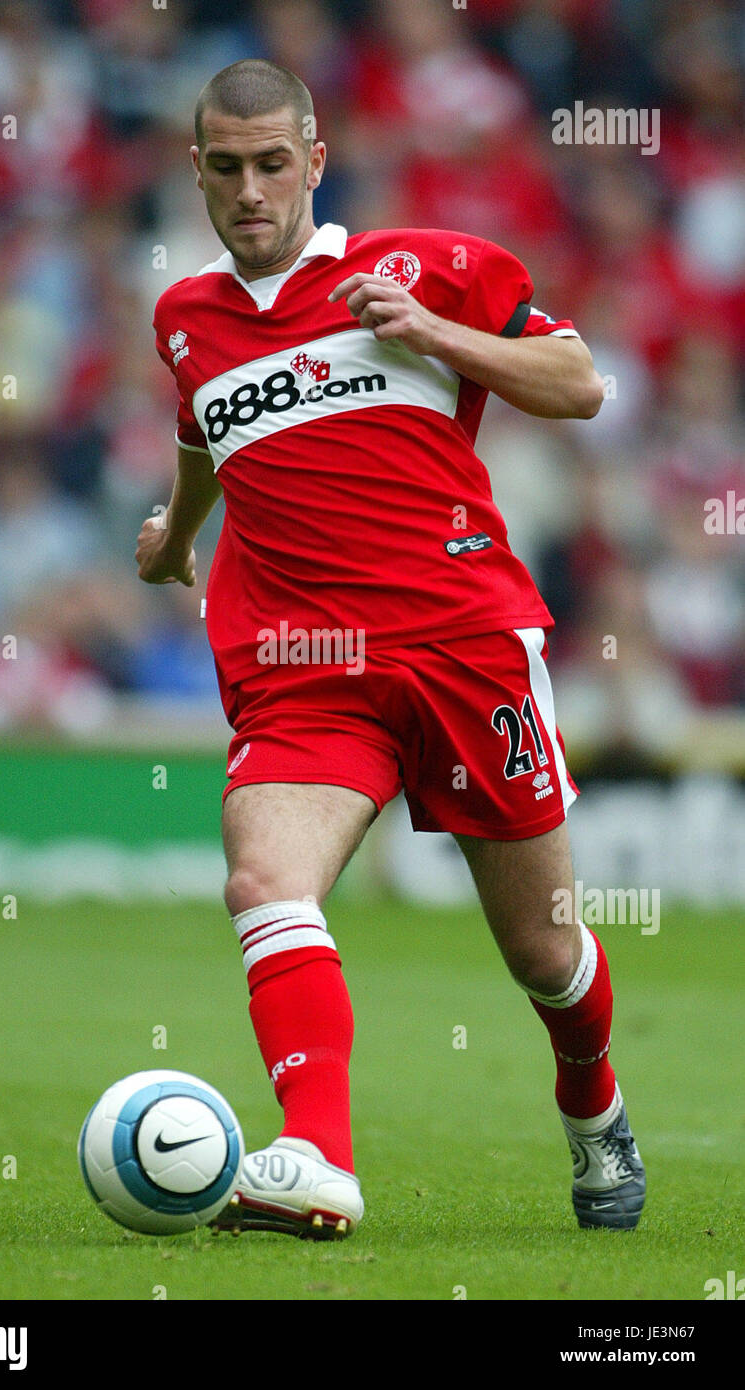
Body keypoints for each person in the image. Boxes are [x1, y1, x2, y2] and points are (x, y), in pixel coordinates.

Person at [135, 59, 645, 1239]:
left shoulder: (426, 268)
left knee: (544, 952)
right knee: (264, 881)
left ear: (315, 161)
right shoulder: (183, 321)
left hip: (460, 644)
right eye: (227, 167)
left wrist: (432, 334)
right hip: (306, 662)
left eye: (274, 164)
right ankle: (315, 1156)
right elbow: (207, 430)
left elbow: (578, 385)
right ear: (196, 169)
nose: (251, 190)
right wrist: (177, 535)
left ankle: (592, 1097)